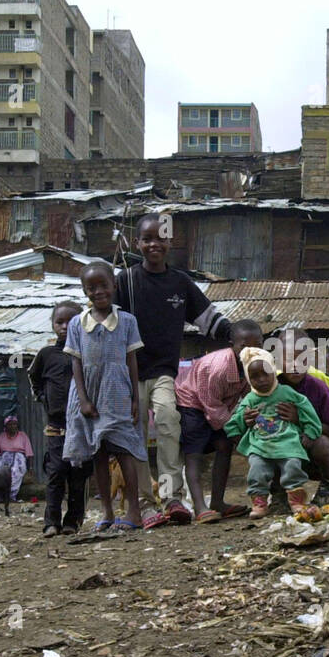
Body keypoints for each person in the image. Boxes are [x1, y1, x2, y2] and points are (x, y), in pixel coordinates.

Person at [115, 213, 233, 529]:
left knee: (168, 423)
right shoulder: (125, 280)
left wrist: (240, 337)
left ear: (169, 242)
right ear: (138, 243)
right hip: (129, 374)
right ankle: (143, 504)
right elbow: (106, 324)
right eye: (147, 239)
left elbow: (210, 320)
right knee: (134, 434)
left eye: (160, 238)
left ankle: (171, 499)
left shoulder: (180, 282)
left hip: (163, 372)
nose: (154, 244)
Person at [63, 261, 146, 533]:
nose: (98, 292)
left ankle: (134, 511)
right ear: (84, 291)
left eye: (103, 286)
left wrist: (135, 398)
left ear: (114, 286)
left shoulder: (128, 321)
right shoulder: (77, 324)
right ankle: (107, 511)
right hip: (90, 396)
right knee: (98, 454)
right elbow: (76, 363)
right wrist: (83, 400)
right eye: (91, 288)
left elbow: (132, 361)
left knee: (124, 450)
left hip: (118, 393)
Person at [174, 319, 262, 522]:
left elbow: (250, 396)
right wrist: (237, 432)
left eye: (257, 345)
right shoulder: (219, 367)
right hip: (192, 402)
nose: (251, 351)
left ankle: (217, 502)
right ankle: (200, 507)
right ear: (233, 344)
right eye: (244, 346)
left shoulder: (254, 365)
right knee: (194, 452)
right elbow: (211, 405)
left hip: (220, 407)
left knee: (224, 446)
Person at [225, 348, 322, 519]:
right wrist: (241, 430)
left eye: (266, 374)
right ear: (248, 379)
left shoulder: (286, 392)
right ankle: (260, 503)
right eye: (254, 377)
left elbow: (307, 410)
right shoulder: (250, 399)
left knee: (292, 467)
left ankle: (296, 502)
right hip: (261, 445)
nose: (261, 380)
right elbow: (235, 422)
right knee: (256, 470)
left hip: (288, 442)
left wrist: (309, 433)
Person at [30, 300, 91, 536]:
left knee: (78, 477)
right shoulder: (47, 355)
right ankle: (51, 522)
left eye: (71, 321)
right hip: (56, 427)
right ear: (53, 325)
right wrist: (44, 398)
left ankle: (72, 522)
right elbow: (33, 378)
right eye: (60, 321)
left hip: (82, 426)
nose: (65, 326)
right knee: (55, 474)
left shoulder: (87, 352)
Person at [275, 329, 329, 505]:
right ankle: (277, 494)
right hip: (283, 451)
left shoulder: (318, 387)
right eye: (289, 359)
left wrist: (301, 420)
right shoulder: (271, 387)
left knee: (322, 443)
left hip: (315, 455)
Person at [0, 415, 34, 501]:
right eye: (10, 424)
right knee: (1, 472)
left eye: (14, 424)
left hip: (19, 458)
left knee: (15, 471)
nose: (12, 426)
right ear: (5, 426)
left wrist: (30, 468)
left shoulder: (23, 436)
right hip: (4, 457)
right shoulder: (2, 436)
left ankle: (10, 495)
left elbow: (29, 453)